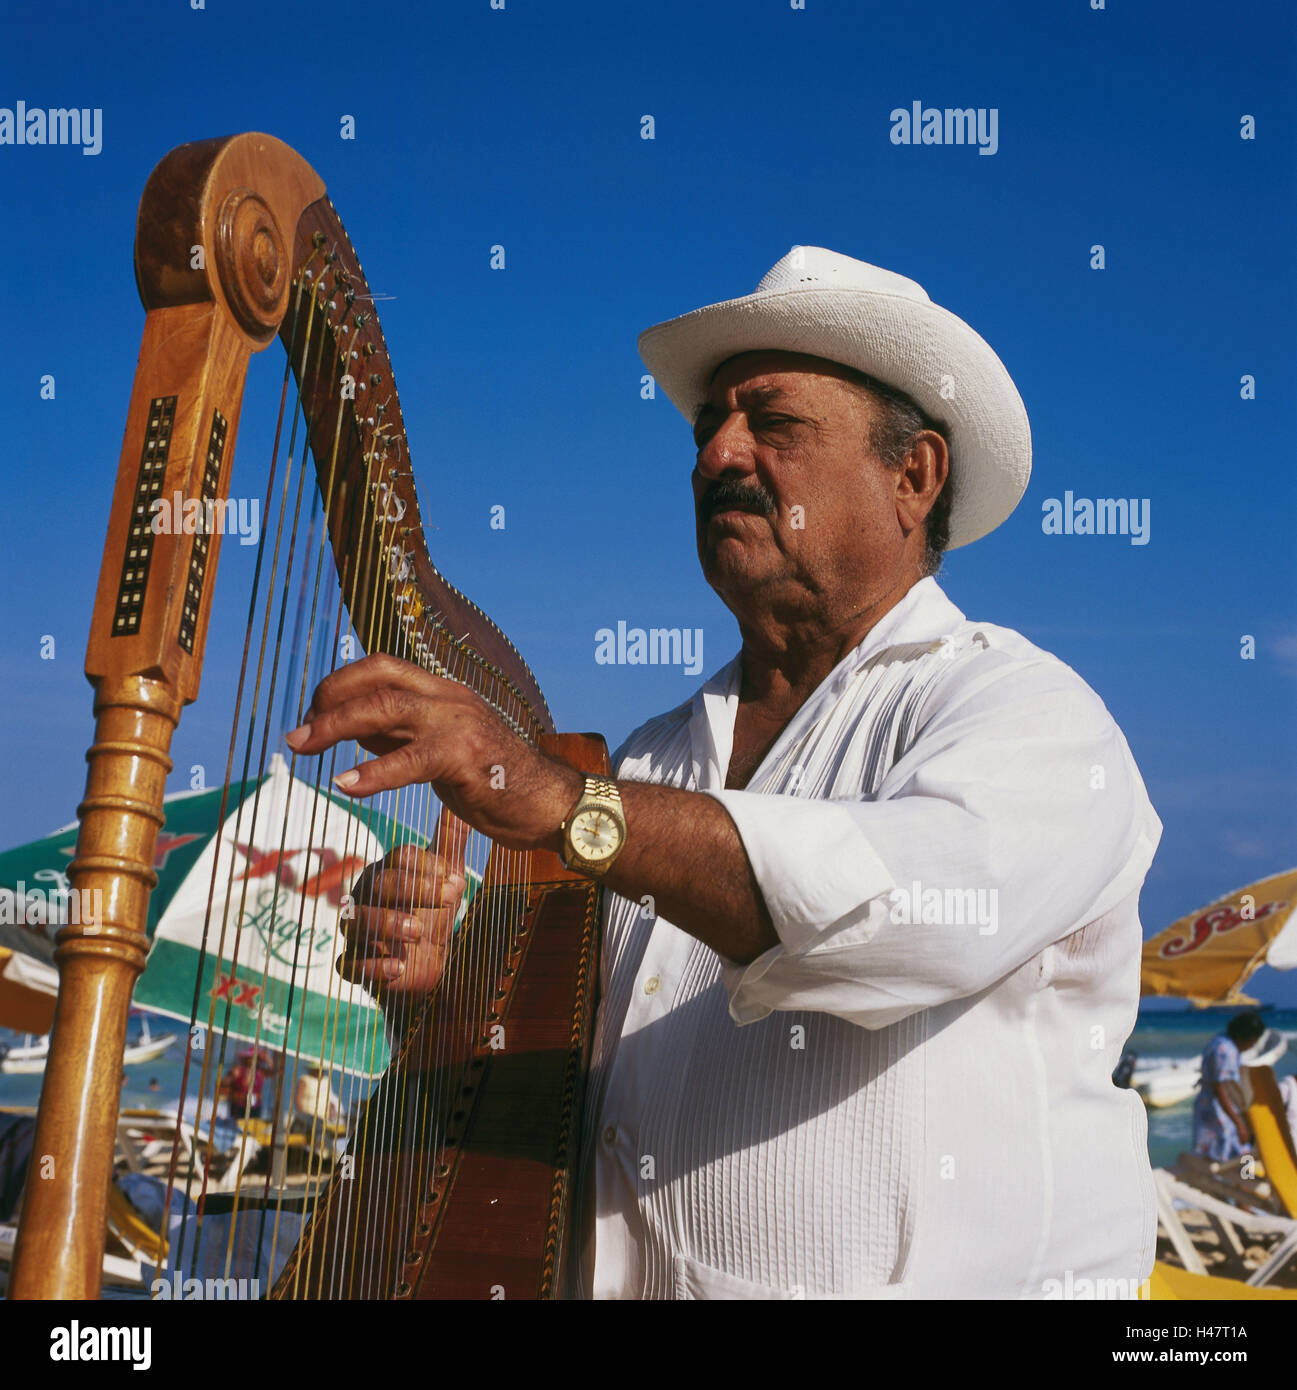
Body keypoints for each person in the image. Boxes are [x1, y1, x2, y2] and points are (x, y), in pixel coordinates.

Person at [286, 246, 1163, 1299]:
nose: (717, 457)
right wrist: (441, 993)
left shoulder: (1023, 712)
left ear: (913, 476)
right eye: (710, 429)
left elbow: (897, 914)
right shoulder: (652, 756)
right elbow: (594, 1085)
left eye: (774, 422)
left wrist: (553, 798)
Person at [1192, 1010, 1266, 1161]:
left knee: (1210, 1150)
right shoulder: (1226, 1051)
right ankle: (1238, 1180)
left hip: (1208, 1103)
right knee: (1228, 1150)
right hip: (1218, 1107)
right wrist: (1240, 1124)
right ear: (1248, 1037)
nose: (1253, 1045)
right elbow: (1220, 1088)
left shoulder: (1220, 1039)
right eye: (1254, 1040)